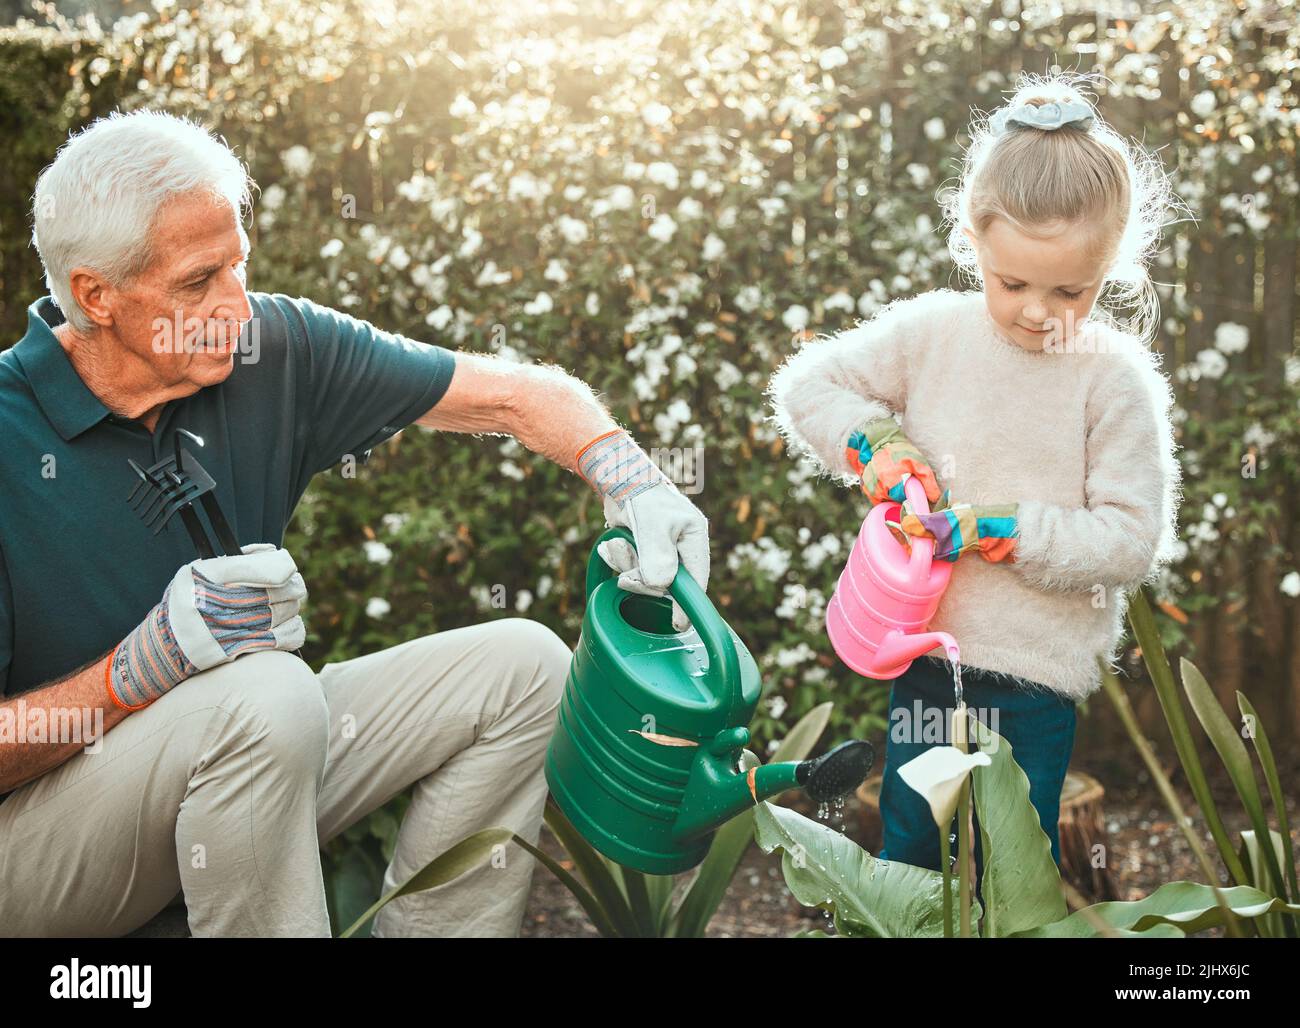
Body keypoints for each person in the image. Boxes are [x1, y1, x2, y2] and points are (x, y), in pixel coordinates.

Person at [0, 108, 709, 937]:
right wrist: (139, 669)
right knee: (264, 693)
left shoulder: (271, 349)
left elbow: (518, 396)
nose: (236, 308)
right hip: (37, 856)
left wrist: (636, 480)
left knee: (522, 670)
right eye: (198, 282)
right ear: (97, 295)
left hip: (247, 757)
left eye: (239, 266)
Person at [766, 73, 1184, 883]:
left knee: (1013, 874)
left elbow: (1131, 539)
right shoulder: (932, 334)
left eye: (1071, 289)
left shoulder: (1114, 377)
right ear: (974, 239)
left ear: (1116, 260)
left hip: (1036, 681)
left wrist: (1007, 529)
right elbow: (806, 387)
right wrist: (874, 442)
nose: (1037, 311)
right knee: (911, 854)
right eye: (1012, 282)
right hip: (926, 655)